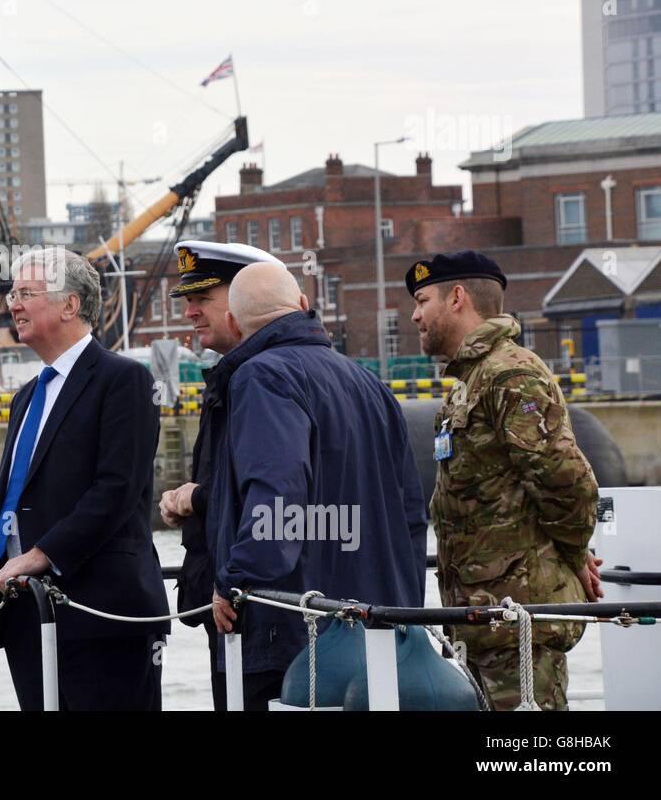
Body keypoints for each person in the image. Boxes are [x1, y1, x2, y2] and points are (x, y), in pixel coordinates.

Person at [209, 262, 427, 711]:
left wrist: (235, 581)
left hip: (295, 635)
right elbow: (411, 512)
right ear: (305, 306)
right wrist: (402, 609)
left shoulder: (261, 376)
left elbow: (278, 502)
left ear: (233, 323)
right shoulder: (371, 383)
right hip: (380, 633)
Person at [0, 246, 168, 710]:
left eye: (25, 293)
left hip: (100, 614)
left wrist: (42, 555)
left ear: (70, 305)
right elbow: (15, 494)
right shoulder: (25, 398)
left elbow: (116, 489)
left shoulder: (125, 381)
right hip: (24, 610)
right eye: (11, 293)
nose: (12, 304)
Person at [407, 250, 600, 710]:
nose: (415, 315)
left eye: (422, 299)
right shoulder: (471, 381)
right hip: (483, 619)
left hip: (516, 621)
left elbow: (566, 482)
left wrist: (574, 557)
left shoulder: (509, 374)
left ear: (457, 298)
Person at [157, 239, 284, 711]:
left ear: (245, 299)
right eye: (187, 300)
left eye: (201, 299)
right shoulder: (229, 379)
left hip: (258, 611)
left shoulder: (262, 380)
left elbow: (276, 491)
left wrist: (198, 499)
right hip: (229, 608)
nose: (190, 312)